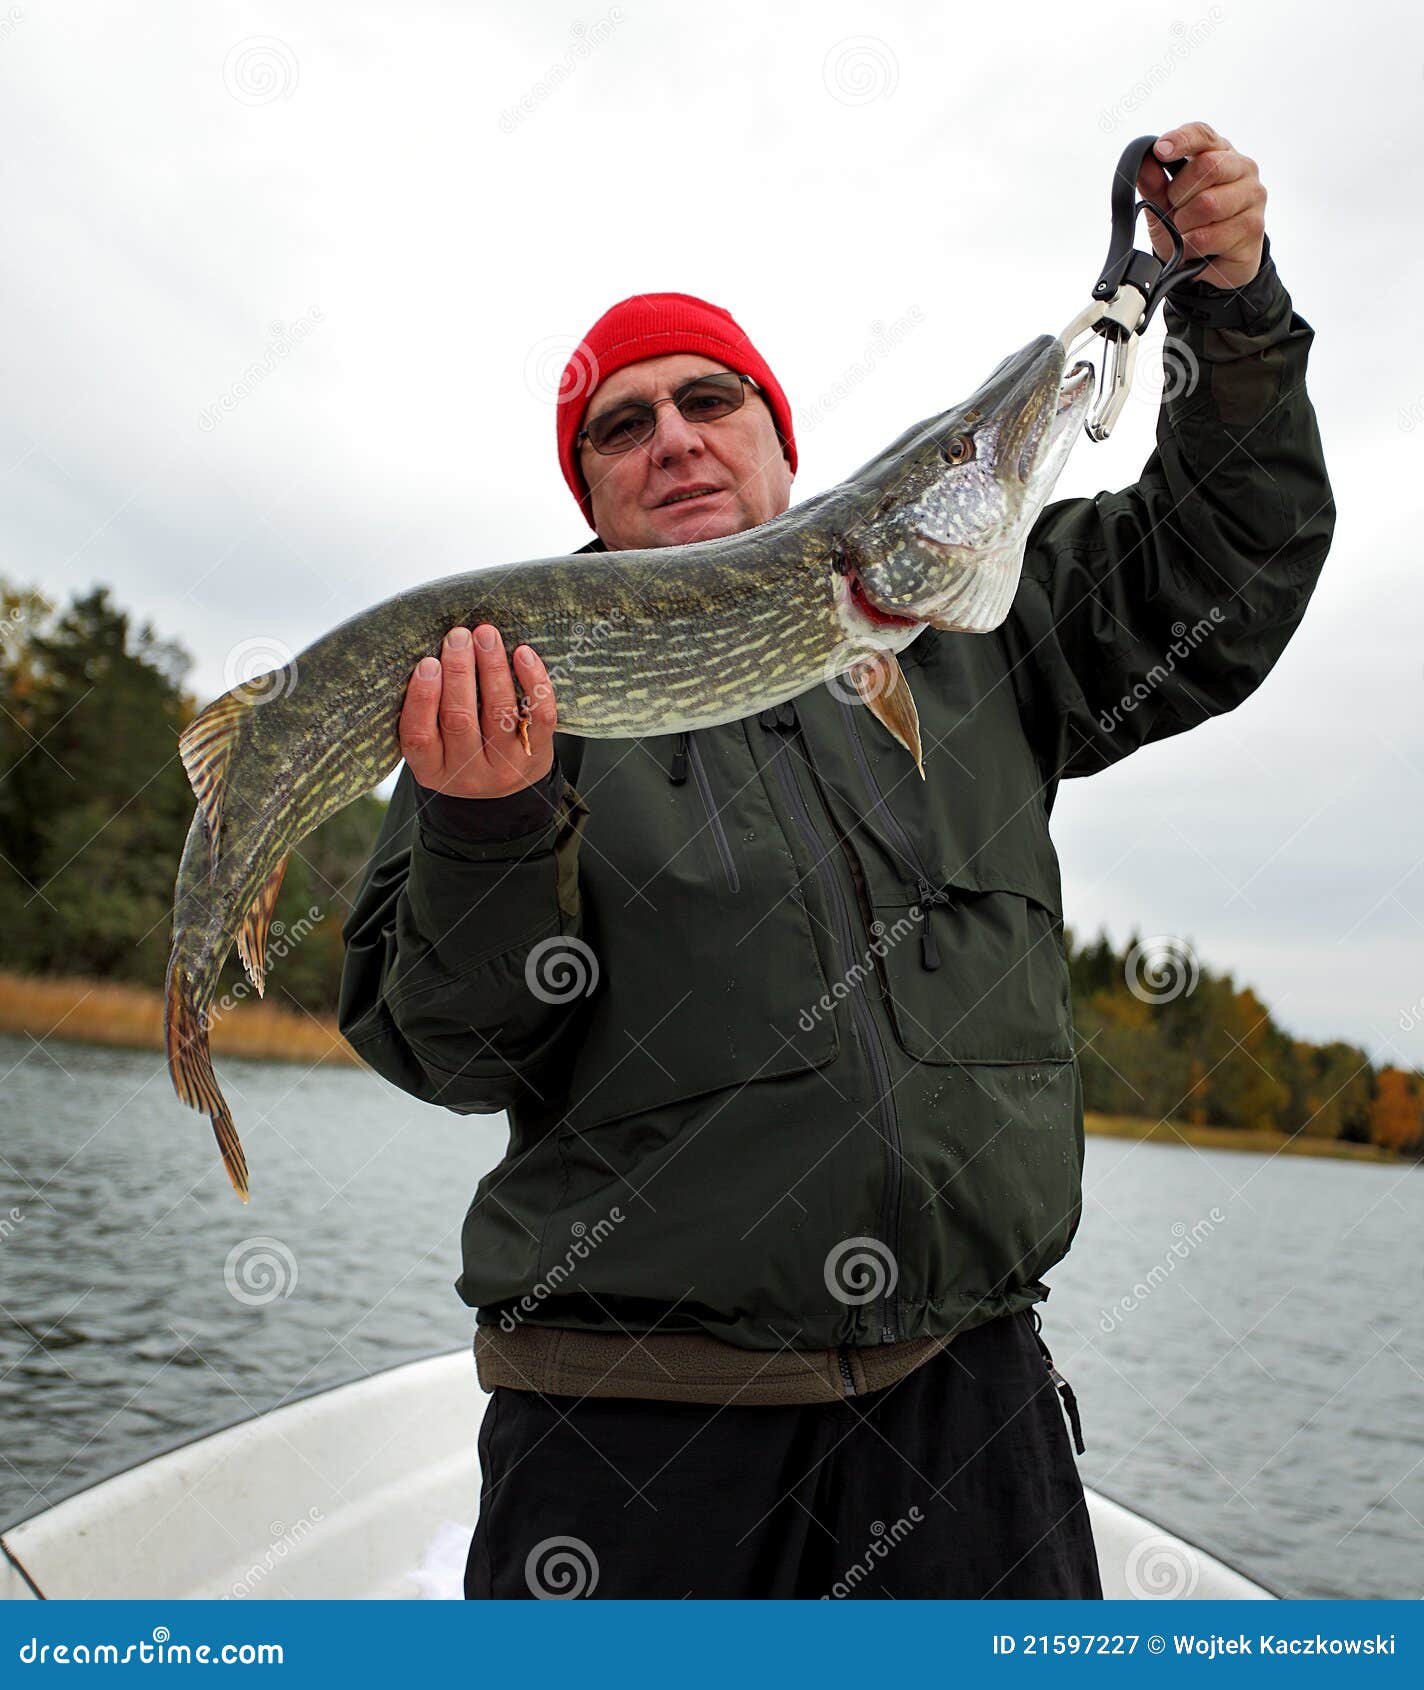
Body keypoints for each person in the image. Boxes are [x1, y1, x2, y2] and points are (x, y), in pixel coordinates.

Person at [338, 123, 1333, 1599]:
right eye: (623, 425)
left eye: (709, 398)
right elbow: (456, 1044)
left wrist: (1232, 309)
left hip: (964, 1399)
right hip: (632, 1428)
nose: (673, 435)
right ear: (590, 492)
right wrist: (487, 827)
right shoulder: (520, 692)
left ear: (780, 436)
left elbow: (1230, 565)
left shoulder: (981, 632)